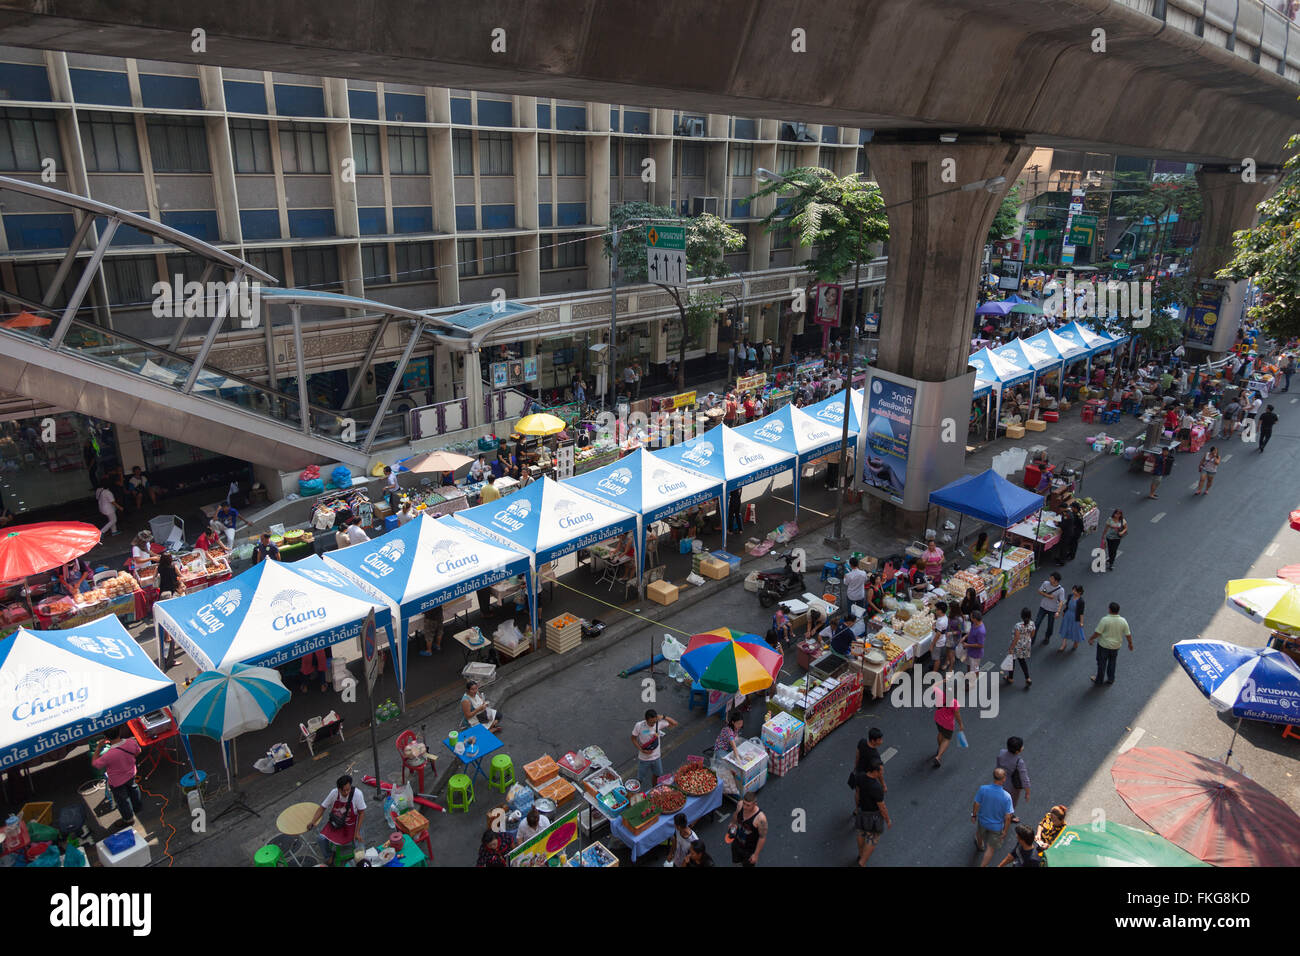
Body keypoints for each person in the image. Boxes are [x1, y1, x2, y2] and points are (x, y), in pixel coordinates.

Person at [305, 774, 367, 863]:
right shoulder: (334, 793)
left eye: (348, 790)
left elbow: (361, 813)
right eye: (343, 791)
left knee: (361, 851)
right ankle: (329, 856)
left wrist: (357, 832)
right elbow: (322, 808)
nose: (346, 793)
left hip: (353, 824)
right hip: (336, 823)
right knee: (320, 839)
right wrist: (313, 821)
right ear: (338, 789)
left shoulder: (357, 794)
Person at [92, 726, 144, 824]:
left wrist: (98, 748)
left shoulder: (108, 755)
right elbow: (138, 751)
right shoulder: (131, 742)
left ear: (106, 738)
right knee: (134, 789)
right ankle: (138, 807)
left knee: (122, 800)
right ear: (119, 732)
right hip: (131, 773)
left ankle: (128, 819)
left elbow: (95, 764)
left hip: (117, 782)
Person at [972, 768, 1016, 867]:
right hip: (996, 827)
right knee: (991, 848)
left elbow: (976, 803)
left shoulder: (983, 789)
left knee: (979, 833)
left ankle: (980, 845)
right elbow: (1008, 817)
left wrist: (974, 815)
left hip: (983, 821)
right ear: (1004, 779)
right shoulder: (1007, 796)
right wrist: (1005, 830)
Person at [852, 758, 890, 866]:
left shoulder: (860, 777)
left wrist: (857, 807)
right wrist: (887, 820)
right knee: (873, 838)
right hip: (873, 815)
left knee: (861, 832)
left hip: (861, 811)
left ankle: (860, 854)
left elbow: (858, 792)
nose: (882, 773)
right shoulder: (876, 788)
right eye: (881, 771)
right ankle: (862, 861)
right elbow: (882, 807)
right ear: (875, 771)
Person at [1089, 600, 1133, 686]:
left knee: (1101, 663)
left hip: (1103, 645)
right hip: (1115, 646)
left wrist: (1091, 638)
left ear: (1109, 609)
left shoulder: (1105, 620)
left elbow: (1098, 632)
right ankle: (1111, 679)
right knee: (1112, 662)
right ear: (1118, 610)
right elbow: (1128, 634)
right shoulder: (1123, 621)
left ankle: (1099, 680)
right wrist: (1130, 644)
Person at [632, 709, 677, 790]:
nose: (653, 724)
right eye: (651, 722)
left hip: (656, 757)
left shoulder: (658, 723)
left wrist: (664, 717)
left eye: (654, 721)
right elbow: (633, 738)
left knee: (657, 775)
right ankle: (635, 792)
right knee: (639, 779)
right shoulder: (639, 726)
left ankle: (654, 789)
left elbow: (674, 723)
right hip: (644, 758)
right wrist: (641, 750)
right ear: (646, 720)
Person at [932, 677, 965, 768]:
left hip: (938, 718)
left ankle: (939, 748)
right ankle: (938, 756)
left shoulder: (940, 694)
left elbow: (934, 686)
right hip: (948, 723)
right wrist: (961, 724)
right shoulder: (954, 702)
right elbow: (957, 714)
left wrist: (942, 681)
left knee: (940, 733)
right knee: (947, 738)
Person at [728, 790, 767, 866]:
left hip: (749, 850)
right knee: (736, 862)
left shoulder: (760, 819)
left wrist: (756, 854)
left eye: (748, 805)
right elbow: (736, 814)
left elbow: (762, 838)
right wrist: (733, 823)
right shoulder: (740, 805)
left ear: (755, 804)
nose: (745, 807)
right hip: (737, 842)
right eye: (744, 804)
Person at [996, 737, 1031, 819]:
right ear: (1017, 751)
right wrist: (1027, 792)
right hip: (1012, 787)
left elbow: (997, 766)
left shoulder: (1001, 752)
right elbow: (1024, 778)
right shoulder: (1019, 762)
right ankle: (1009, 816)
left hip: (1000, 782)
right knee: (1011, 802)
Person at [1005, 607, 1035, 688]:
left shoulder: (1018, 626)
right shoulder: (1032, 624)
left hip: (1017, 646)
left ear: (1022, 615)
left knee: (1012, 661)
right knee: (1022, 661)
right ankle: (1027, 678)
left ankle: (1010, 677)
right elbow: (1032, 635)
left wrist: (1011, 647)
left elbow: (1016, 637)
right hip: (1025, 646)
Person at [1035, 571, 1066, 646]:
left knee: (1050, 625)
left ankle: (1047, 637)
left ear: (1056, 580)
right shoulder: (1046, 583)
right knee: (1037, 623)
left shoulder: (1061, 590)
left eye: (1051, 578)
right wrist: (1048, 596)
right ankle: (1032, 638)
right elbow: (1039, 591)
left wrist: (1058, 612)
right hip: (1043, 606)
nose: (1050, 579)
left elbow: (1061, 601)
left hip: (1053, 610)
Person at [1056, 584, 1086, 653]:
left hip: (1076, 617)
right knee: (1066, 629)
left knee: (1076, 631)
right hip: (1068, 615)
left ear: (1080, 592)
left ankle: (1076, 642)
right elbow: (1066, 604)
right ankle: (1064, 644)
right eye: (1073, 590)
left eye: (1075, 591)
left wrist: (1081, 622)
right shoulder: (1070, 596)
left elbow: (1081, 613)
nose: (1073, 591)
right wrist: (1063, 611)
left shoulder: (1081, 601)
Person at [962, 609, 986, 677]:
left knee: (975, 669)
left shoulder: (981, 631)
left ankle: (972, 683)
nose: (970, 618)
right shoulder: (975, 624)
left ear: (975, 619)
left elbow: (980, 645)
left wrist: (967, 645)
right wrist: (965, 637)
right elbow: (971, 631)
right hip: (970, 650)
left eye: (971, 617)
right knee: (969, 664)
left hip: (975, 654)